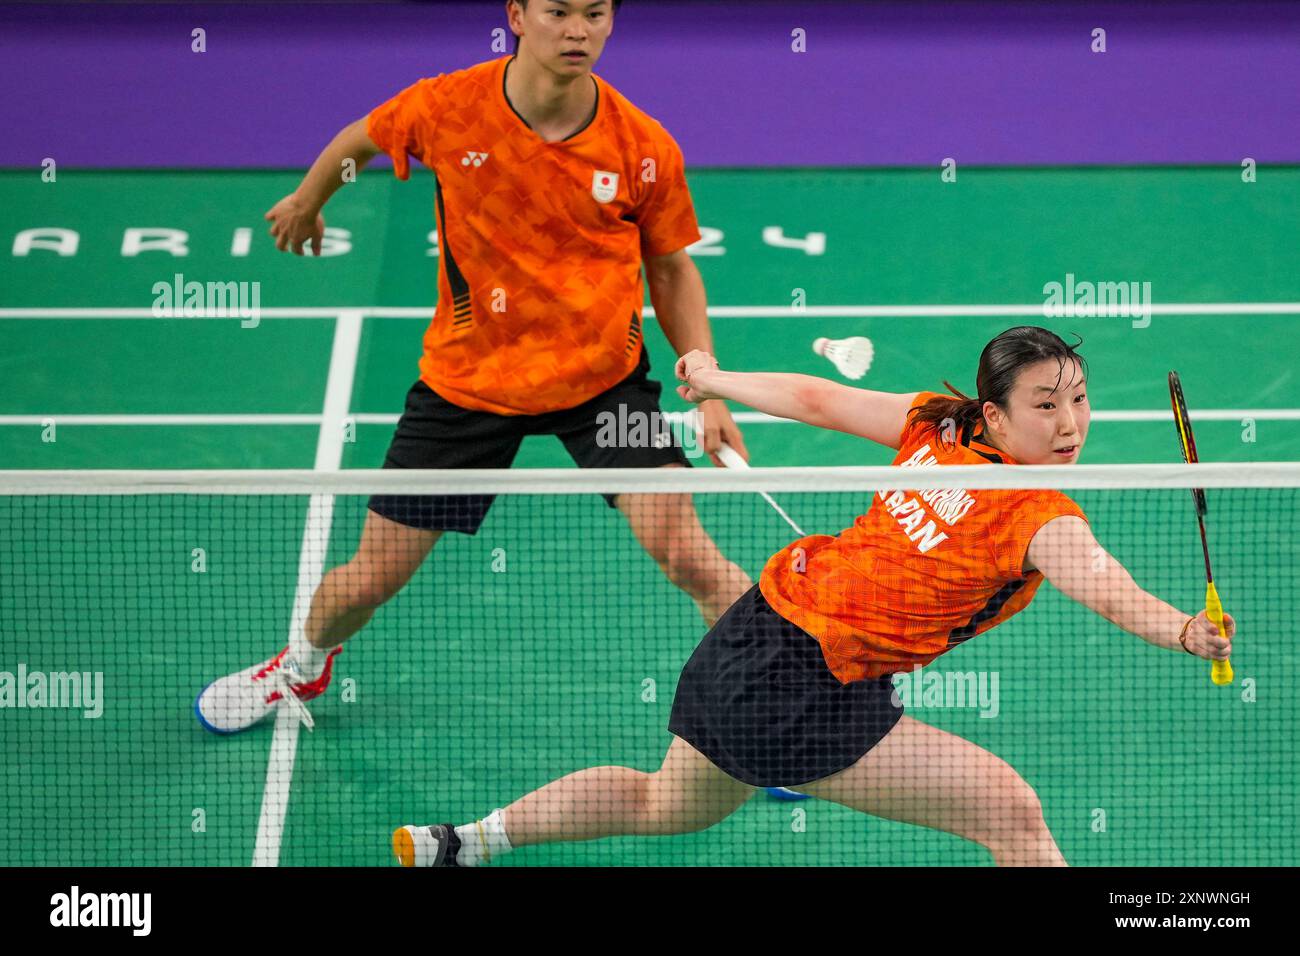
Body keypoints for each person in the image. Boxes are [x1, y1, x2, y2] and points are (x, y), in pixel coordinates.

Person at [392, 326, 1236, 867]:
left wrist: (720, 379)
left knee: (664, 802)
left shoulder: (941, 427)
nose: (1070, 425)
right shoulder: (1029, 505)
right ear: (995, 413)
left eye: (1079, 401)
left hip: (749, 635)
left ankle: (466, 842)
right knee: (1011, 815)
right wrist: (1182, 632)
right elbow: (1098, 583)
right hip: (803, 688)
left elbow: (818, 400)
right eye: (1046, 406)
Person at [195, 0, 752, 733]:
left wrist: (705, 379)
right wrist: (306, 201)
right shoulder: (447, 107)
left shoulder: (642, 145)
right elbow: (358, 140)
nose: (578, 31)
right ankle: (299, 665)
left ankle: (772, 705)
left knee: (691, 560)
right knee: (368, 581)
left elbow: (673, 269)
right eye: (558, 12)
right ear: (518, 16)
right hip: (468, 388)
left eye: (595, 13)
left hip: (602, 387)